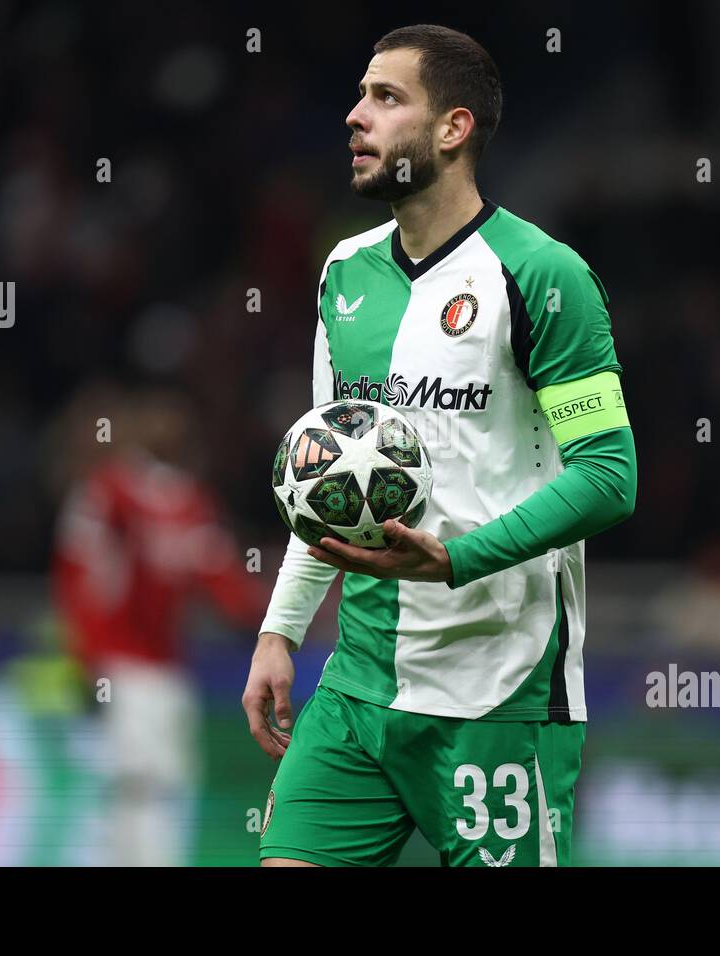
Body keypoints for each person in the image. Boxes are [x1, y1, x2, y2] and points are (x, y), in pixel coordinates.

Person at [242, 24, 638, 867]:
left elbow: (611, 476)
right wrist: (279, 630)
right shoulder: (343, 272)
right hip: (358, 689)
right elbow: (326, 484)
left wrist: (454, 559)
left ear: (453, 129)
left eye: (386, 99)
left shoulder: (541, 275)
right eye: (359, 96)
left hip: (499, 695)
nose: (356, 117)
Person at [55, 387, 264, 865]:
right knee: (150, 789)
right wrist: (280, 621)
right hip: (141, 668)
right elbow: (228, 588)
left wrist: (84, 656)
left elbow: (75, 578)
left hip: (134, 667)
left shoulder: (107, 490)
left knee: (135, 789)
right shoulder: (157, 498)